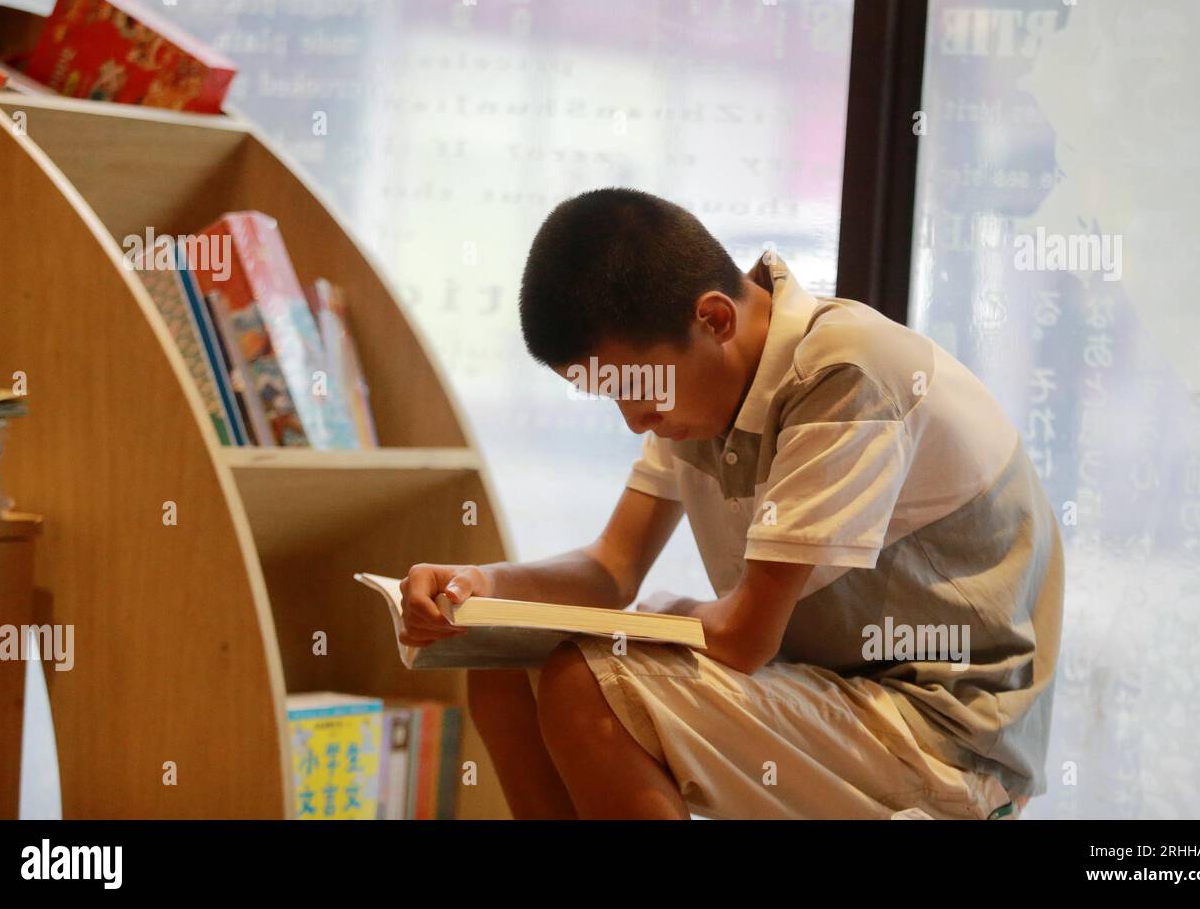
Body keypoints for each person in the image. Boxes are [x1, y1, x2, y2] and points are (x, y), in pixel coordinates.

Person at [399, 187, 1064, 820]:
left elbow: (745, 637)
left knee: (586, 685)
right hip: (842, 699)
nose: (635, 419)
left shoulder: (843, 374)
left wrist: (663, 616)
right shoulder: (699, 394)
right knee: (502, 665)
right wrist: (479, 589)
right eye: (611, 396)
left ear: (715, 318)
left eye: (636, 387)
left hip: (949, 741)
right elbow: (610, 570)